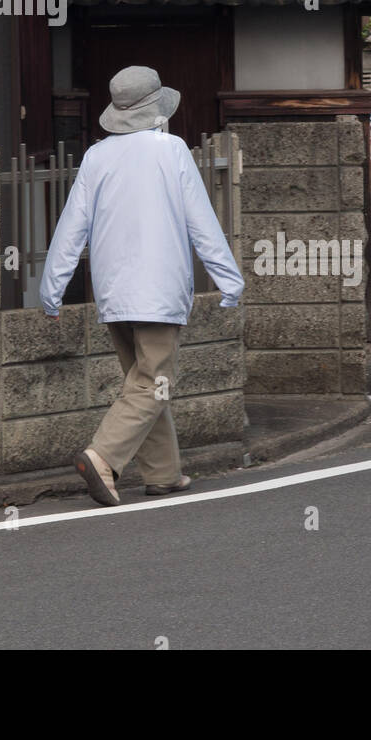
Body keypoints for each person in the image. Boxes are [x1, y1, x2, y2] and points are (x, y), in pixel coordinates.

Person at [39, 65, 244, 506]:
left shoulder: (97, 156)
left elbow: (71, 228)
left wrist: (51, 290)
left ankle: (164, 474)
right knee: (154, 381)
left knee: (145, 381)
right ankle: (102, 456)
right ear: (157, 110)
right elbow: (201, 223)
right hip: (158, 290)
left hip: (113, 292)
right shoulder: (171, 151)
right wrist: (230, 280)